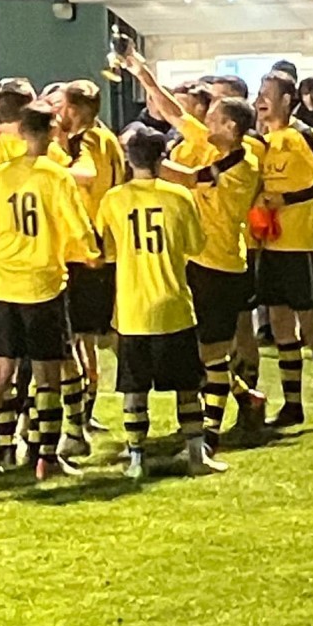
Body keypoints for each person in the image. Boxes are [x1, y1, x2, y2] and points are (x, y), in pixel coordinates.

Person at [125, 53, 265, 450]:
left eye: (215, 117)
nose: (206, 121)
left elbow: (187, 179)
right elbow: (173, 113)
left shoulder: (241, 164)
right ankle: (244, 399)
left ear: (231, 127)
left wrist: (144, 161)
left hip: (220, 265)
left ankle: (210, 435)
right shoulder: (209, 143)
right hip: (194, 260)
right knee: (199, 350)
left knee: (211, 352)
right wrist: (142, 73)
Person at [0, 106, 99, 481]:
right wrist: (91, 253)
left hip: (3, 284)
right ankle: (46, 457)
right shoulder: (56, 176)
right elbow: (77, 224)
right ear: (51, 132)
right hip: (43, 284)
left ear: (21, 132)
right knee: (47, 373)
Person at [97, 129, 225, 477]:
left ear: (129, 159)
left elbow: (107, 250)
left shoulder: (113, 199)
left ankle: (136, 460)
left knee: (134, 390)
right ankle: (197, 457)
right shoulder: (179, 196)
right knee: (187, 387)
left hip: (132, 309)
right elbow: (195, 246)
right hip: (174, 306)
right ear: (161, 159)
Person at [254, 71, 313, 431]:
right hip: (271, 245)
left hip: (301, 244)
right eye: (259, 93)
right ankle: (292, 405)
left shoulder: (304, 136)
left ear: (286, 100)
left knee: (312, 324)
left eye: (267, 94)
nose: (260, 101)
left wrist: (289, 199)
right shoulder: (263, 141)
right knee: (280, 324)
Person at [57, 80, 126, 440]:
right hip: (107, 244)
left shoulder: (86, 141)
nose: (61, 113)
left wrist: (45, 170)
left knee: (86, 335)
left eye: (65, 106)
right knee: (95, 334)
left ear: (76, 109)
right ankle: (90, 408)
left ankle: (92, 407)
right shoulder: (108, 137)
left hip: (90, 249)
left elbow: (88, 176)